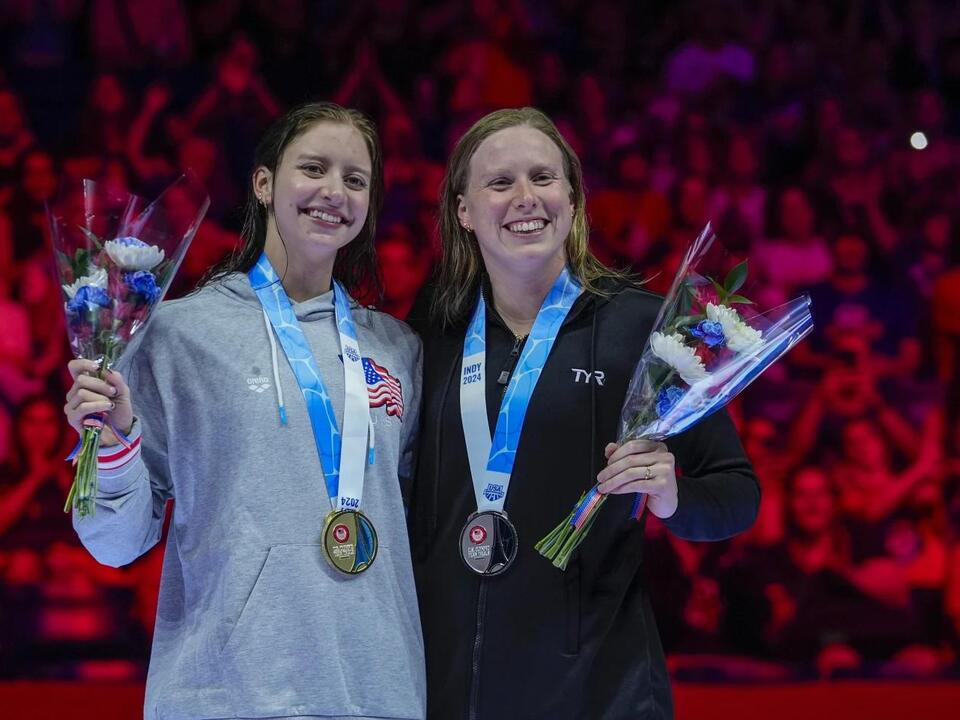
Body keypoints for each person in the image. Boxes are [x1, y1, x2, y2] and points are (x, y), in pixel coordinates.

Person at [62, 102, 425, 719]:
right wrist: (115, 440)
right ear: (263, 184)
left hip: (374, 693)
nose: (333, 191)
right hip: (227, 694)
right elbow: (114, 545)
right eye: (313, 168)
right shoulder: (179, 334)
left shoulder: (399, 349)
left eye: (355, 179)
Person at [409, 107, 759, 719]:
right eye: (500, 182)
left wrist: (671, 496)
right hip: (451, 692)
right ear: (463, 210)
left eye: (544, 178)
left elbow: (737, 495)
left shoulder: (643, 329)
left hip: (601, 692)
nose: (526, 198)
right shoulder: (430, 337)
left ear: (572, 201)